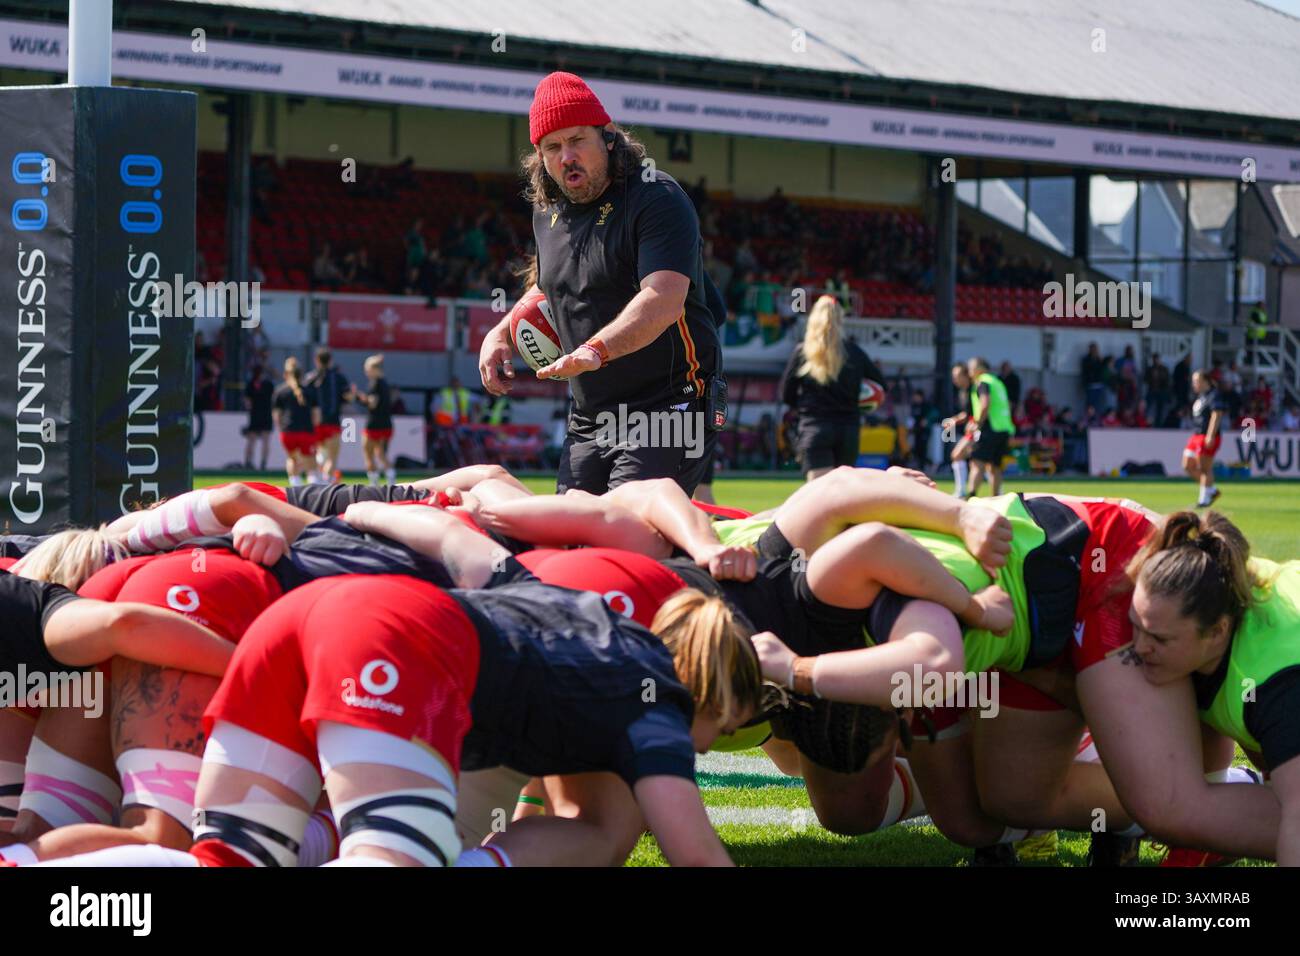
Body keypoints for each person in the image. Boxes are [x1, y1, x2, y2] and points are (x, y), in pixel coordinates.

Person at [476, 71, 722, 496]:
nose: (566, 156)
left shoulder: (655, 197)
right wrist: (501, 332)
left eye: (577, 141)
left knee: (622, 528)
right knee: (569, 540)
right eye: (552, 147)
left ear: (608, 137)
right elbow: (551, 285)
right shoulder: (546, 212)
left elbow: (663, 298)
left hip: (670, 405)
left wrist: (595, 350)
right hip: (591, 414)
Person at [779, 295, 883, 481]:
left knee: (817, 495)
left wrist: (806, 407)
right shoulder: (854, 352)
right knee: (842, 495)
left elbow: (786, 394)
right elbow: (880, 385)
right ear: (840, 320)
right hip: (848, 430)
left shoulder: (803, 352)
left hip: (815, 428)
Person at [965, 357, 1016, 498]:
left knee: (977, 462)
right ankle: (996, 498)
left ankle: (970, 496)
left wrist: (977, 423)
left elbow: (985, 404)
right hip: (1004, 428)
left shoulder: (983, 382)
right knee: (995, 466)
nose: (969, 372)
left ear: (979, 369)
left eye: (971, 368)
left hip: (990, 427)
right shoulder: (997, 382)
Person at [304, 349, 351, 484]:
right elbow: (347, 396)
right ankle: (326, 483)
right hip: (332, 422)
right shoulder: (339, 378)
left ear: (316, 360)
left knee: (319, 453)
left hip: (314, 424)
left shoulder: (309, 378)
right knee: (332, 457)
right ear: (331, 360)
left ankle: (317, 479)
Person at [273, 357, 320, 487]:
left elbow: (277, 416)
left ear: (285, 374)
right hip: (306, 431)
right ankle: (313, 492)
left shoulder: (280, 391)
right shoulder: (310, 391)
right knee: (311, 464)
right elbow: (316, 415)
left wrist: (281, 430)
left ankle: (295, 487)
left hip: (288, 432)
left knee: (292, 460)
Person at [1184, 369, 1226, 508]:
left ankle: (1204, 500)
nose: (1194, 384)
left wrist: (1210, 435)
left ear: (1205, 381)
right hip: (1196, 434)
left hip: (1206, 435)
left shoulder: (1213, 395)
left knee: (1204, 468)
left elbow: (1216, 414)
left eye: (1196, 381)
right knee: (1187, 465)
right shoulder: (1201, 397)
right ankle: (1211, 490)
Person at [357, 354, 396, 486]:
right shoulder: (385, 383)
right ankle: (391, 481)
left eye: (367, 369)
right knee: (381, 455)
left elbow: (372, 403)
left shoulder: (374, 384)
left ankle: (374, 484)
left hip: (374, 424)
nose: (366, 372)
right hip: (387, 424)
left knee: (368, 454)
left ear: (374, 369)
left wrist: (360, 398)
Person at [942, 364, 976, 498]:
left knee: (981, 462)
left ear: (965, 376)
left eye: (957, 376)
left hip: (979, 429)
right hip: (972, 429)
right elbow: (967, 413)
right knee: (960, 456)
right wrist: (954, 419)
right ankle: (961, 491)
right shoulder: (963, 391)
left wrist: (954, 420)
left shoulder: (975, 389)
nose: (954, 380)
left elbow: (976, 412)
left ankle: (962, 491)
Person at [243, 364, 274, 472]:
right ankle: (263, 463)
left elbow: (247, 403)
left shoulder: (250, 384)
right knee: (266, 441)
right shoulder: (268, 384)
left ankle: (248, 462)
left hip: (254, 415)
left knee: (251, 440)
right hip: (266, 415)